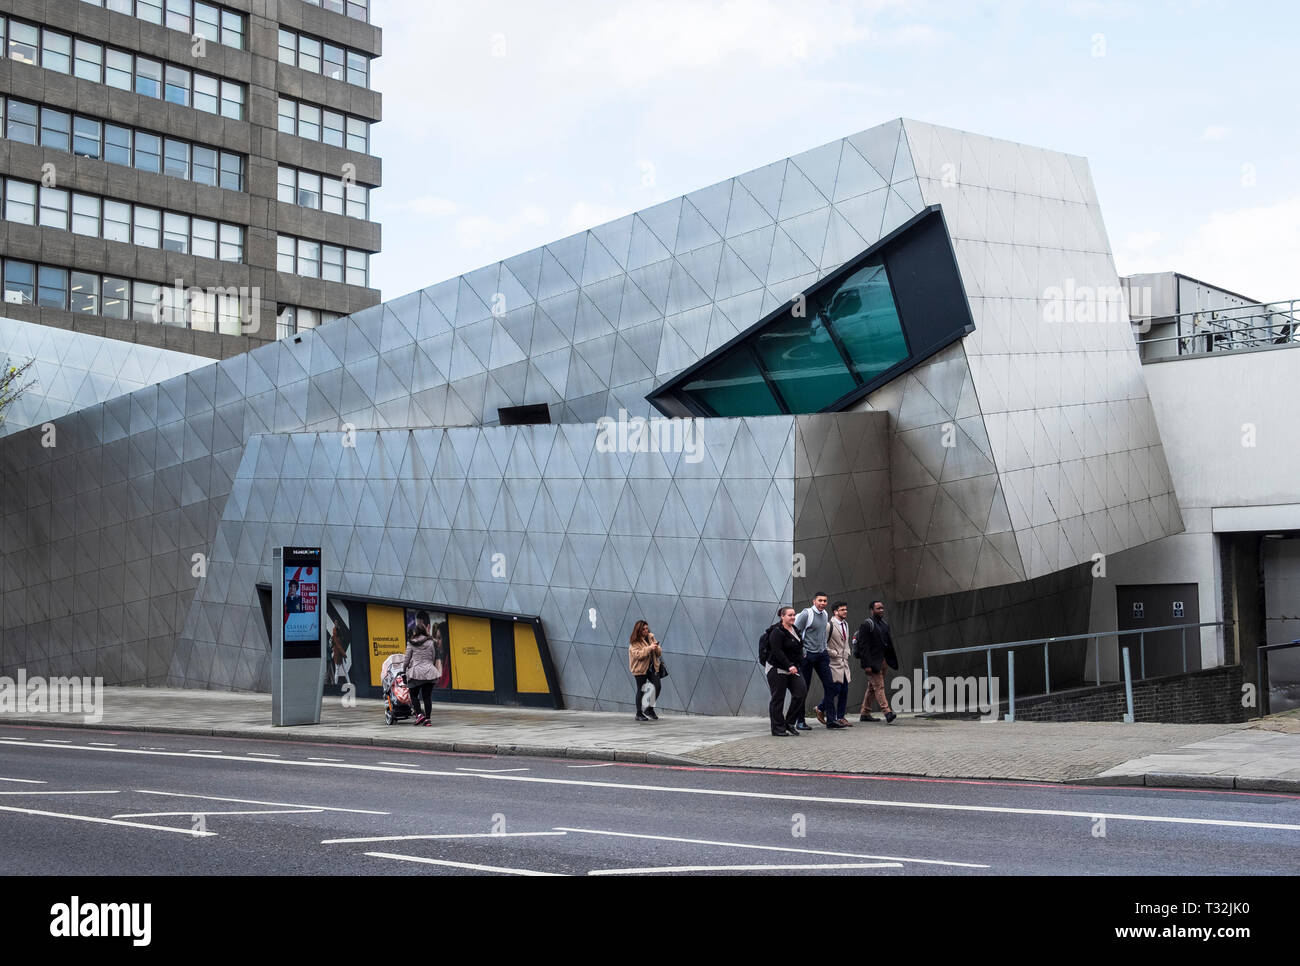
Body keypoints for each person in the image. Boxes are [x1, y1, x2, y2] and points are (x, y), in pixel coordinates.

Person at [794, 592, 839, 730]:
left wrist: (824, 648)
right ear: (814, 601)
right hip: (808, 656)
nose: (822, 603)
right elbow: (795, 632)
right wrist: (803, 652)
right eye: (820, 600)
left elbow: (822, 634)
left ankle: (831, 720)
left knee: (830, 686)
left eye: (825, 601)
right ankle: (800, 721)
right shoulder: (806, 614)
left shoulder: (825, 614)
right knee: (804, 688)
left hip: (821, 655)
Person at [763, 607, 806, 737]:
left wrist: (798, 661)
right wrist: (789, 665)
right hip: (777, 668)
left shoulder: (795, 630)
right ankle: (777, 728)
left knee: (801, 692)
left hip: (794, 669)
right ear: (782, 616)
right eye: (789, 615)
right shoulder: (776, 631)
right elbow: (777, 651)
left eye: (794, 615)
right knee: (778, 698)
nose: (793, 617)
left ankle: (789, 723)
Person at [857, 600, 898, 723]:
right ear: (872, 610)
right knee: (879, 686)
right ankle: (887, 712)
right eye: (878, 608)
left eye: (882, 608)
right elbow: (863, 647)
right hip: (872, 663)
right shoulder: (867, 624)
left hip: (883, 661)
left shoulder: (884, 624)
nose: (881, 610)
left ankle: (865, 713)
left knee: (872, 687)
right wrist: (866, 665)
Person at [403, 610, 438, 726]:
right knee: (427, 697)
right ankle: (428, 719)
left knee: (413, 695)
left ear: (415, 632)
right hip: (429, 672)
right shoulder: (431, 642)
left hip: (416, 673)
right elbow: (433, 657)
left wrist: (403, 669)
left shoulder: (411, 643)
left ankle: (419, 715)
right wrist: (429, 665)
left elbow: (407, 659)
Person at [823, 601, 853, 727]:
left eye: (846, 609)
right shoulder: (829, 625)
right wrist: (833, 653)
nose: (845, 611)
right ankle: (821, 707)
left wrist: (847, 652)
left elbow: (846, 642)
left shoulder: (845, 624)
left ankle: (840, 717)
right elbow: (823, 644)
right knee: (836, 688)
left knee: (844, 690)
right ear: (835, 612)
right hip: (833, 662)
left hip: (844, 662)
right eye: (842, 610)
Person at [628, 620, 663, 721]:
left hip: (652, 668)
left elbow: (659, 653)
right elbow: (638, 655)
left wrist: (656, 647)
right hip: (640, 668)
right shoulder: (634, 642)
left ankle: (649, 709)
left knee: (658, 686)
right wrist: (649, 648)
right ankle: (639, 714)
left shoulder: (651, 637)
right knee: (641, 690)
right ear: (638, 630)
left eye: (647, 628)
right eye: (643, 629)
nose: (646, 630)